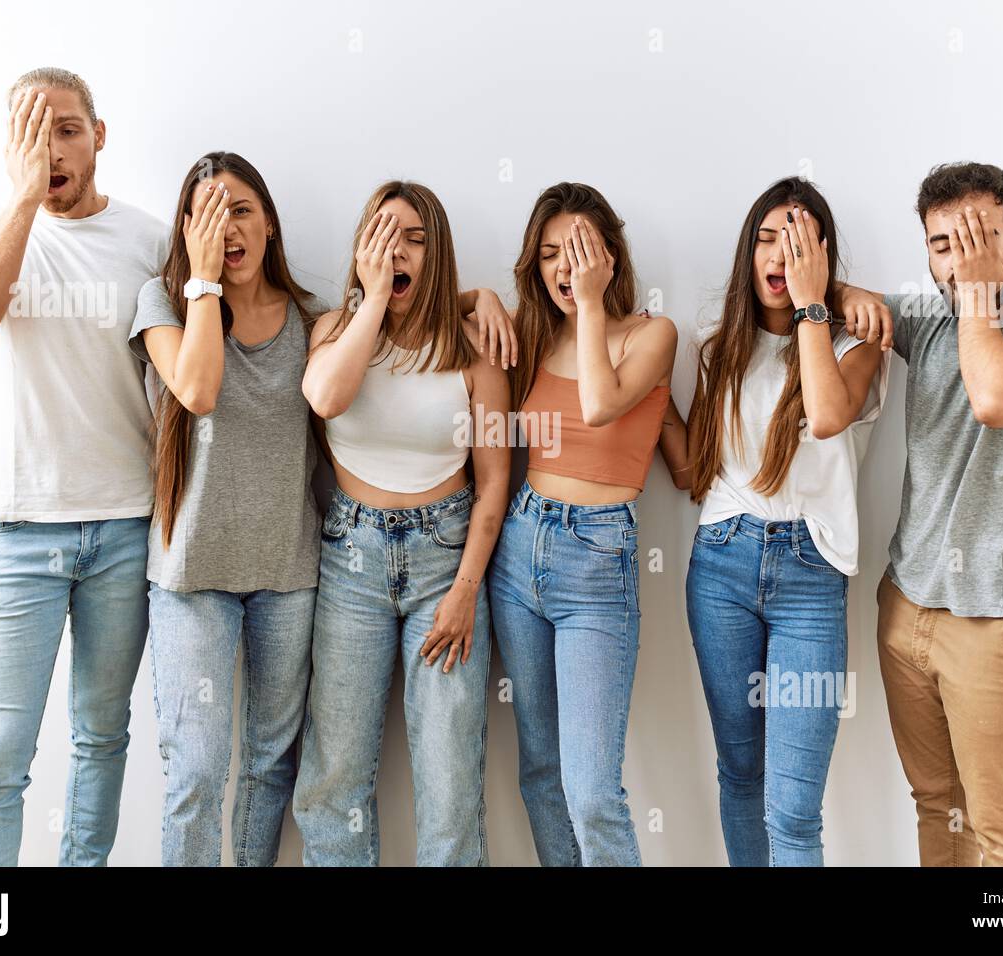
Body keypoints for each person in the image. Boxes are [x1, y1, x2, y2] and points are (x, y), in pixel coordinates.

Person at [0, 68, 168, 866]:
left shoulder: (147, 240)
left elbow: (236, 317)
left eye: (66, 128)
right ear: (11, 150)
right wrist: (24, 202)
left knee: (102, 737)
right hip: (17, 532)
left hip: (125, 528)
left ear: (99, 135)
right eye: (33, 133)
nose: (53, 148)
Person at [834, 161, 1003, 866]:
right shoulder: (930, 320)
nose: (958, 261)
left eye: (979, 238)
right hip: (908, 610)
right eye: (942, 244)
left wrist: (978, 295)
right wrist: (836, 290)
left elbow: (993, 397)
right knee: (940, 814)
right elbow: (829, 298)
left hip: (1001, 622)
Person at [660, 177, 890, 866]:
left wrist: (819, 303)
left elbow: (823, 417)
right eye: (767, 238)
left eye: (797, 242)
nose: (780, 254)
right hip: (721, 567)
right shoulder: (716, 345)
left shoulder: (855, 343)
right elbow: (693, 474)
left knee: (793, 811)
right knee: (741, 776)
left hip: (811, 578)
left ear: (821, 256)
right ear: (746, 251)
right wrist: (647, 397)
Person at [292, 180, 512, 866]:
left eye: (415, 238)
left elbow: (495, 482)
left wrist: (466, 589)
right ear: (362, 249)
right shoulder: (332, 331)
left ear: (438, 253)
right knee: (334, 777)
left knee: (449, 781)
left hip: (445, 561)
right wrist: (374, 296)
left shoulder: (474, 353)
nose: (399, 248)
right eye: (383, 234)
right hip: (350, 559)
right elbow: (326, 398)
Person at [128, 152, 321, 866]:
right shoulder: (163, 304)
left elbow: (402, 311)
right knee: (198, 774)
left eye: (239, 209)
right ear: (187, 230)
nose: (227, 227)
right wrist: (203, 280)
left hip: (287, 573)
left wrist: (474, 301)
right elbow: (200, 390)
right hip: (191, 578)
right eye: (207, 214)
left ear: (269, 221)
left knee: (271, 766)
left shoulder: (312, 321)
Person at [487, 182, 677, 866]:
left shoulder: (652, 334)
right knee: (540, 773)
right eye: (549, 256)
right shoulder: (535, 336)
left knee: (591, 788)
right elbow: (428, 312)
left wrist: (593, 303)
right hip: (519, 546)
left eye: (580, 252)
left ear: (611, 257)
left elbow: (600, 405)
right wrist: (480, 300)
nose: (564, 270)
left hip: (598, 556)